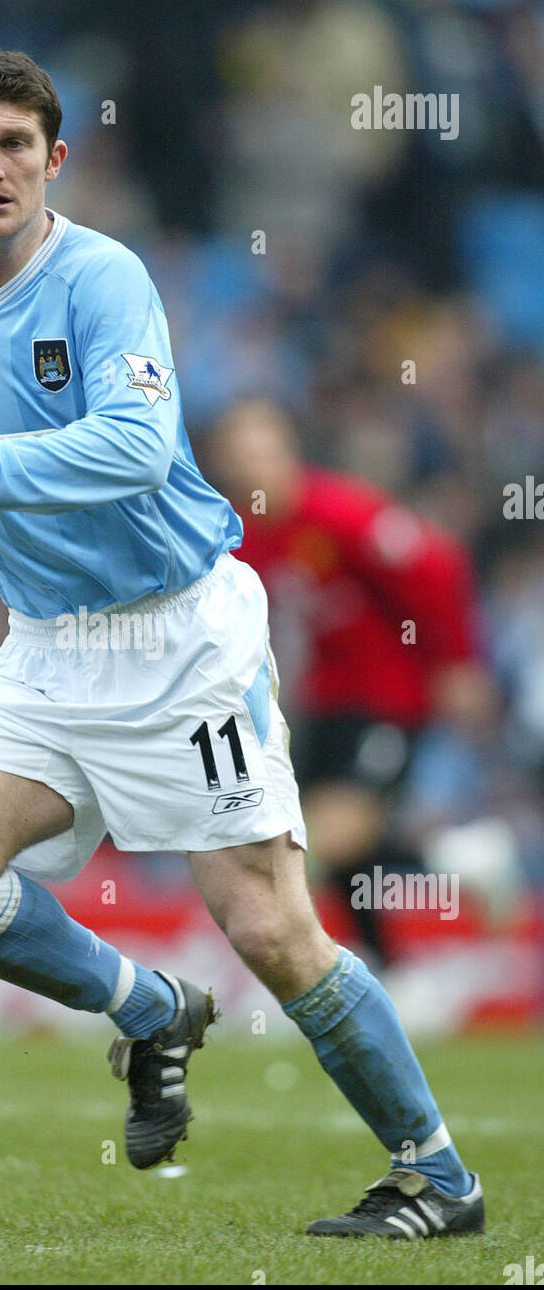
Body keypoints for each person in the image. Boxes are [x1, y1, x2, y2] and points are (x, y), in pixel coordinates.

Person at [0, 47, 483, 1237]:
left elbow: (134, 449)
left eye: (15, 146)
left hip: (177, 635)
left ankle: (436, 1175)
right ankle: (147, 1007)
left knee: (273, 930)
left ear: (54, 161)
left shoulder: (101, 276)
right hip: (48, 647)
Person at [209, 398, 494, 971]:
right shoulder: (237, 532)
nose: (250, 467)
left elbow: (435, 564)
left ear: (286, 449)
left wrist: (456, 663)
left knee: (330, 834)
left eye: (260, 451)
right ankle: (393, 966)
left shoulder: (341, 512)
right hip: (318, 705)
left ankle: (461, 862)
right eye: (237, 455)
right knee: (315, 845)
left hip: (388, 698)